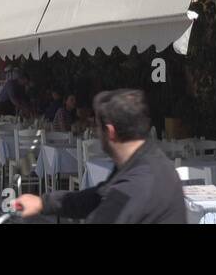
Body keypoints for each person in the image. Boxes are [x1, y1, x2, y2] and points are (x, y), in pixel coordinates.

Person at [13, 89, 186, 224]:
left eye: (98, 127)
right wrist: (44, 203)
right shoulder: (147, 160)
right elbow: (97, 196)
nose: (96, 132)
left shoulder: (130, 189)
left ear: (110, 132)